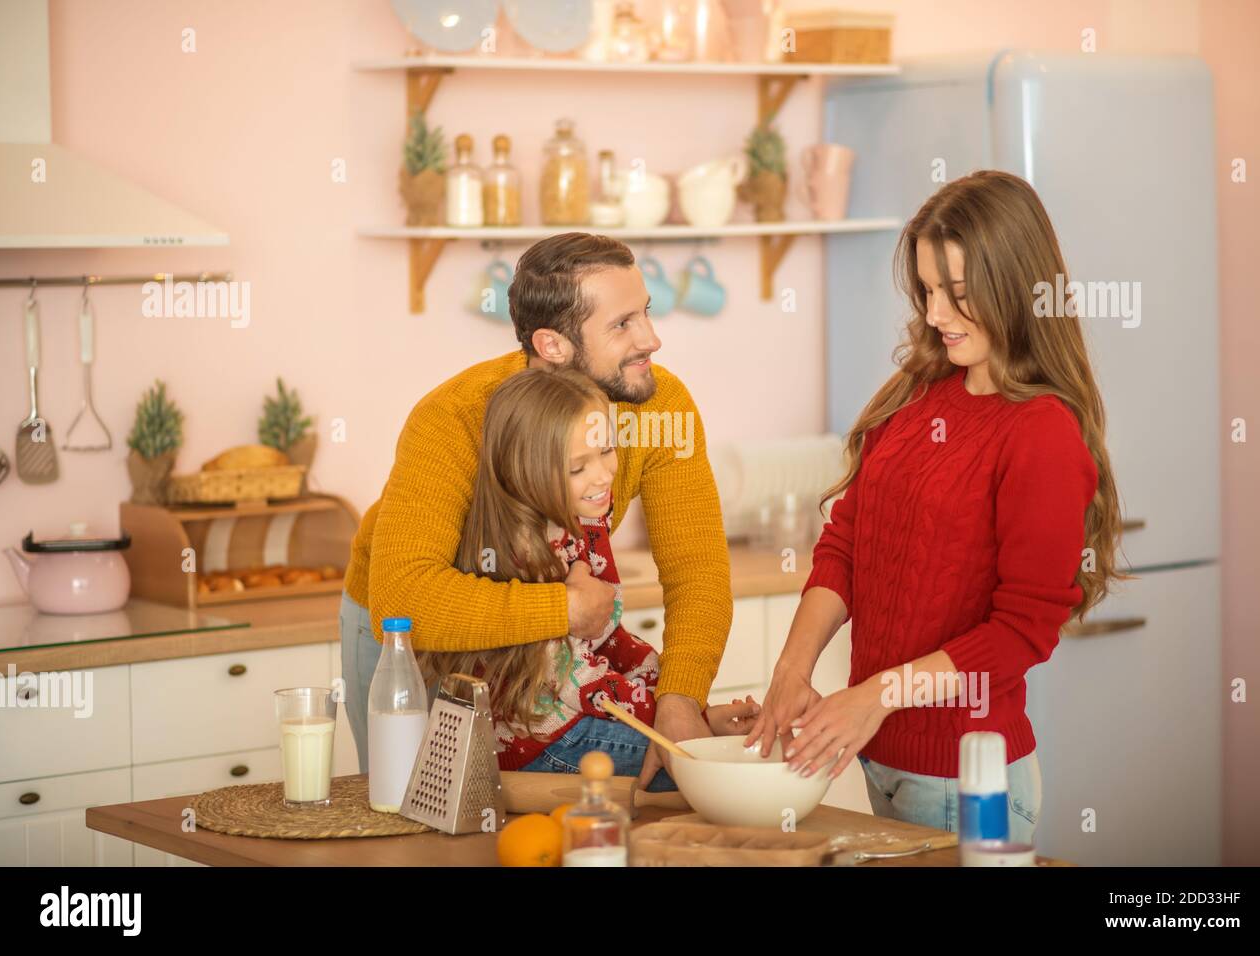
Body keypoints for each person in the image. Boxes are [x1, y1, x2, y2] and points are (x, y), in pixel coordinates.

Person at [746, 170, 1125, 844]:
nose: (935, 314)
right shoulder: (921, 390)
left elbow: (1021, 631)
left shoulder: (1040, 430)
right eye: (925, 291)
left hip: (967, 781)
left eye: (957, 294)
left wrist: (875, 695)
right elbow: (847, 542)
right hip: (883, 762)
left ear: (1014, 285)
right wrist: (792, 668)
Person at [340, 232, 733, 790]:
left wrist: (681, 699)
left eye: (645, 312)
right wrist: (568, 609)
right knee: (405, 813)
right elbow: (402, 600)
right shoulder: (455, 416)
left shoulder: (662, 406)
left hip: (541, 644)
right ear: (553, 344)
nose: (652, 339)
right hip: (417, 639)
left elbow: (699, 573)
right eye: (622, 324)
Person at [415, 367, 757, 787]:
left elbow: (606, 641)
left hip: (573, 716)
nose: (603, 475)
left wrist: (680, 709)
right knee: (705, 777)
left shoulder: (584, 520)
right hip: (543, 741)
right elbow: (578, 679)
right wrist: (669, 724)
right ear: (527, 473)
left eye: (607, 449)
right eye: (578, 467)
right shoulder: (530, 551)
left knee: (700, 758)